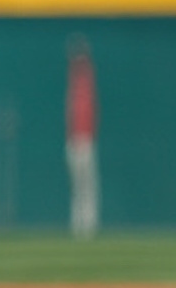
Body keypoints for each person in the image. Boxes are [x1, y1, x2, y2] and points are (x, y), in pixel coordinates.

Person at [65, 35, 99, 240]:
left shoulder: (85, 82)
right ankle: (80, 226)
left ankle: (87, 226)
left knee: (86, 186)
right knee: (81, 186)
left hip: (84, 140)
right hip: (76, 140)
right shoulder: (76, 84)